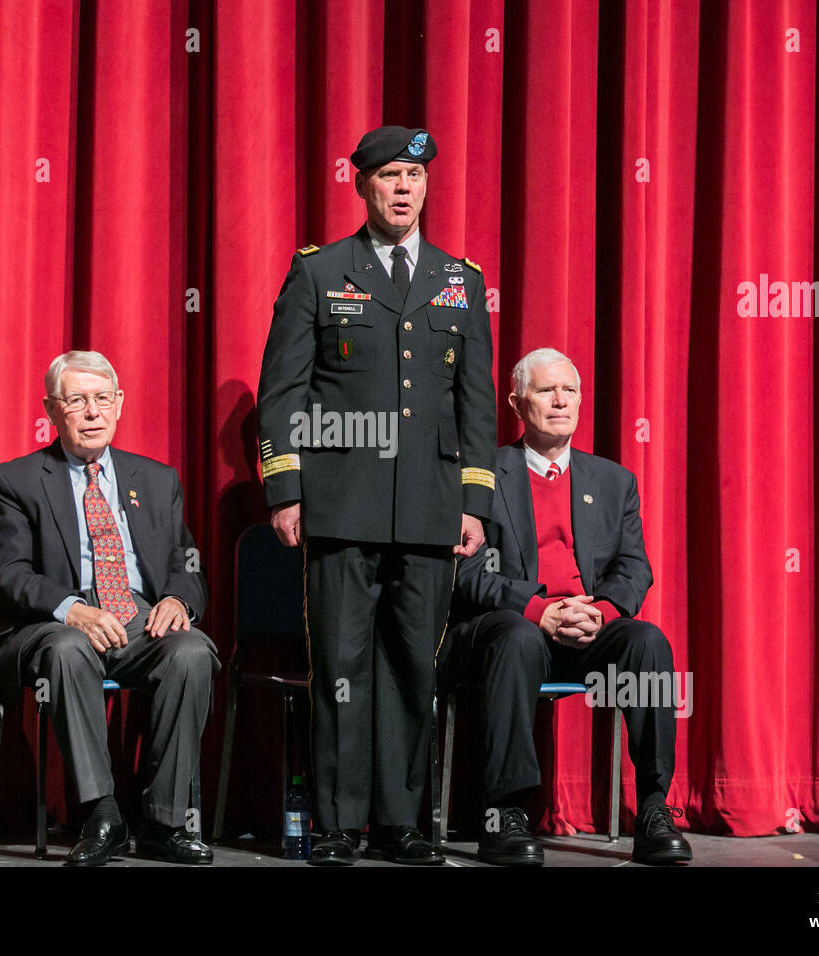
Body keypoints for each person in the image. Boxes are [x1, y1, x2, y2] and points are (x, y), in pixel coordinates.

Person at [256, 126, 497, 865]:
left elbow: (476, 401)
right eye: (389, 176)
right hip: (340, 508)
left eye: (414, 177)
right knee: (340, 669)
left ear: (427, 186)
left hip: (428, 512)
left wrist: (474, 502)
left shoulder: (461, 280)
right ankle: (336, 824)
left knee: (408, 673)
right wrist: (286, 490)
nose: (402, 189)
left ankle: (401, 824)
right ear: (360, 185)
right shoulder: (321, 271)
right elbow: (281, 393)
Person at [448, 347, 692, 866]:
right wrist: (539, 611)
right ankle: (506, 814)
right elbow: (466, 575)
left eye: (570, 390)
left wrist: (601, 611)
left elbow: (634, 568)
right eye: (545, 390)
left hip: (586, 628)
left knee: (647, 641)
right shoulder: (483, 474)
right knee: (515, 635)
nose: (561, 401)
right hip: (507, 633)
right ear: (517, 403)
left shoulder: (613, 481)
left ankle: (653, 808)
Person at [0, 350, 218, 866]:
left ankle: (164, 820)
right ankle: (102, 813)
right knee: (69, 649)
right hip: (53, 622)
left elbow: (188, 563)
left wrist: (178, 598)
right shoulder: (16, 480)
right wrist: (72, 608)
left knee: (192, 653)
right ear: (51, 409)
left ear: (120, 405)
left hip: (138, 618)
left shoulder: (157, 480)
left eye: (102, 399)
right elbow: (9, 575)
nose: (92, 412)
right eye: (77, 401)